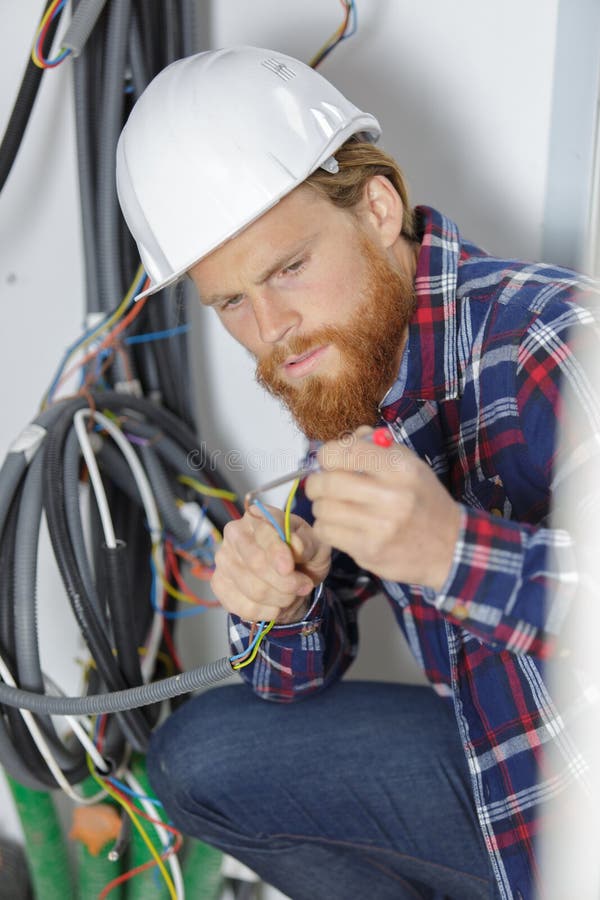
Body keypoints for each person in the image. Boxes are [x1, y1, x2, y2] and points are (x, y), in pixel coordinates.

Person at [116, 47, 600, 899]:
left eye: (288, 268)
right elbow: (290, 681)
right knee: (205, 757)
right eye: (232, 302)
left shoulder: (553, 342)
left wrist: (453, 551)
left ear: (378, 208)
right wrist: (284, 600)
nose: (272, 330)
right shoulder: (354, 382)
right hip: (523, 785)